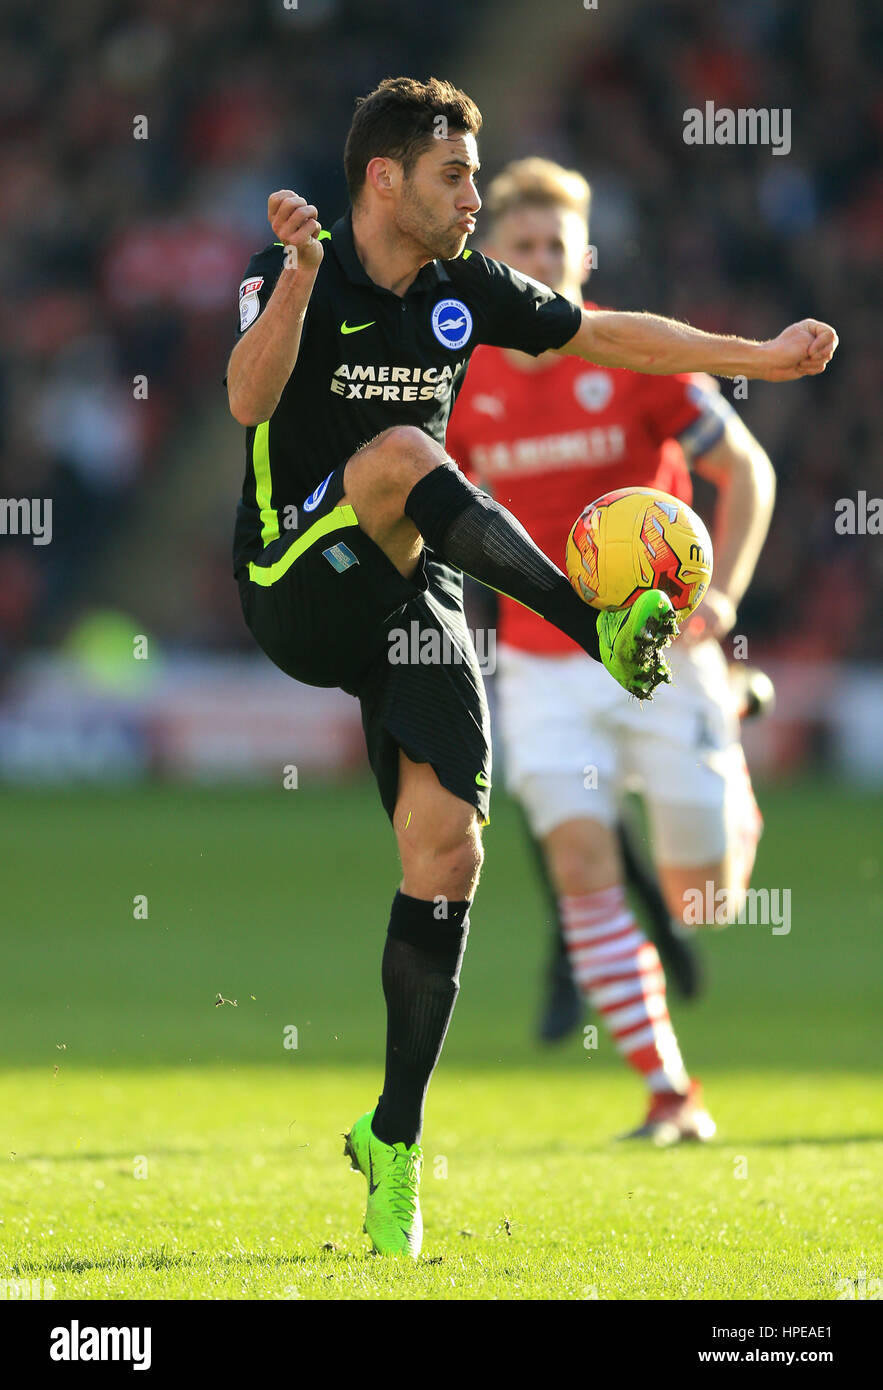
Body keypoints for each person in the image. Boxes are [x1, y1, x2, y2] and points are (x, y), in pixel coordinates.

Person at [225, 78, 837, 1255]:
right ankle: (586, 618)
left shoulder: (463, 290)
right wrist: (297, 277)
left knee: (446, 850)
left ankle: (392, 1139)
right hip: (296, 575)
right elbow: (250, 396)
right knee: (404, 448)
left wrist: (752, 356)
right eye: (455, 176)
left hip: (415, 587)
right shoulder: (290, 264)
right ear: (384, 179)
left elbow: (608, 331)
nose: (473, 196)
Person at [446, 157, 778, 1142]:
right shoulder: (461, 386)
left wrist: (719, 599)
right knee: (580, 859)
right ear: (489, 260)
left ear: (582, 257)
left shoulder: (638, 356)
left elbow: (744, 472)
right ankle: (670, 1093)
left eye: (558, 246)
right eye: (522, 248)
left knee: (703, 898)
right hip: (545, 667)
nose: (542, 262)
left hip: (669, 660)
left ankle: (727, 711)